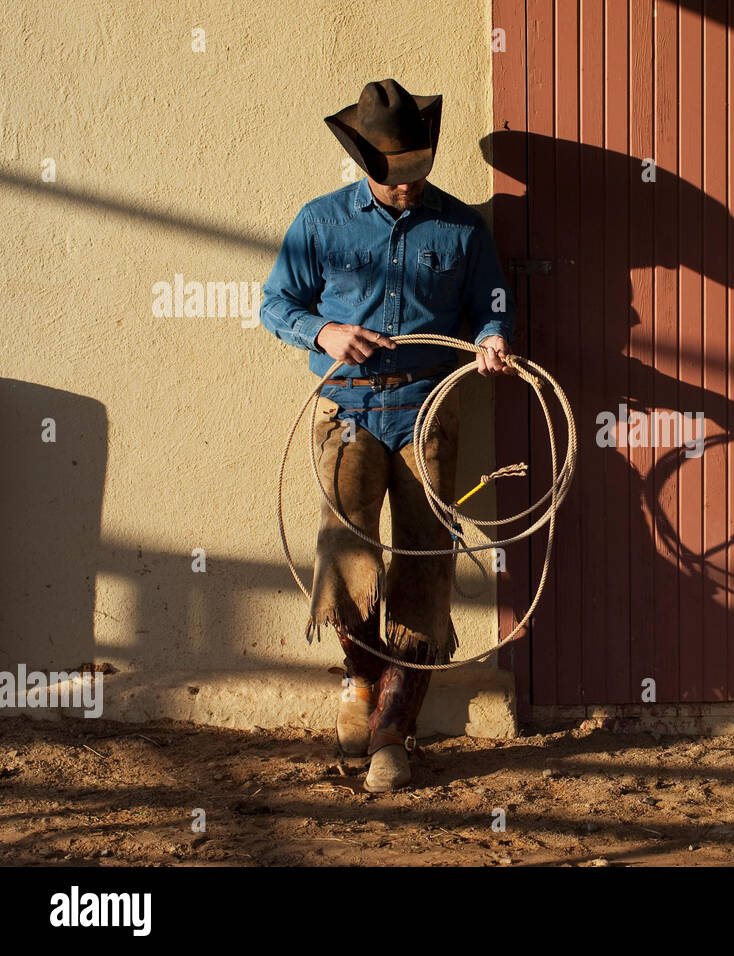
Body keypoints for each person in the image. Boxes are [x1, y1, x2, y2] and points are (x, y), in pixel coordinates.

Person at [260, 79, 516, 792]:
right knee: (344, 551)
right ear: (363, 161)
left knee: (428, 558)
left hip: (429, 409)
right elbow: (276, 303)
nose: (403, 190)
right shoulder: (321, 223)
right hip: (344, 408)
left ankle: (390, 734)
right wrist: (325, 330)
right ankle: (358, 680)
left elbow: (491, 305)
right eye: (389, 177)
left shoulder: (463, 231)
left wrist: (493, 340)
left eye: (414, 175)